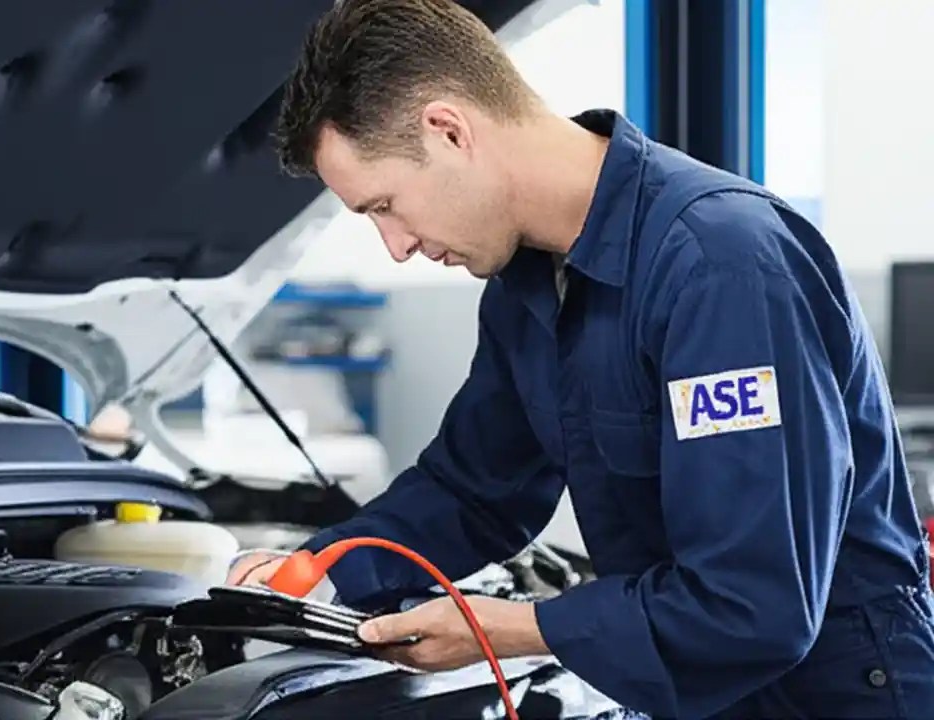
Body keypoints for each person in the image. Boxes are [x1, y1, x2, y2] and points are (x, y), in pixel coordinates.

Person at [224, 0, 934, 717]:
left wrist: (504, 631)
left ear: (449, 131)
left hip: (837, 697)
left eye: (384, 205)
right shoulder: (526, 285)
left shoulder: (720, 267)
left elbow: (754, 604)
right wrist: (317, 569)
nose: (397, 245)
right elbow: (474, 489)